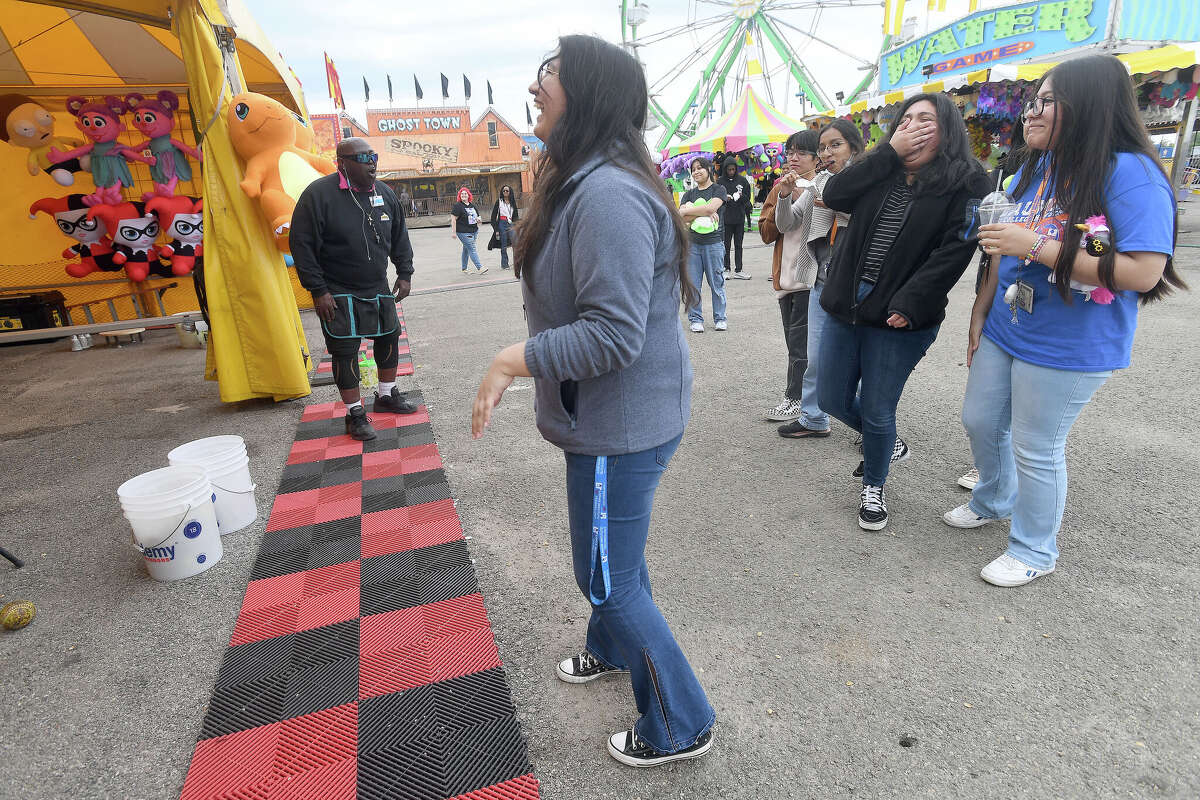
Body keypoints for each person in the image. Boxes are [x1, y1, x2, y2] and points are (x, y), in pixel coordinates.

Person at [471, 34, 714, 768]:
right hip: (607, 419)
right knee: (619, 567)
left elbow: (613, 336)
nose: (536, 84)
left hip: (619, 425)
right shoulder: (585, 178)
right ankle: (610, 646)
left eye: (550, 72)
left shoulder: (606, 193)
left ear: (590, 92)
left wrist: (510, 362)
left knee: (606, 578)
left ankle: (681, 722)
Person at [945, 55, 1184, 586]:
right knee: (981, 419)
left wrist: (1038, 245)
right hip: (1009, 324)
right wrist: (982, 310)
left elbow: (1143, 272)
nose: (1032, 112)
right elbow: (1004, 247)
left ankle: (1034, 550)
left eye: (1047, 102)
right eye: (1034, 101)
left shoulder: (1132, 173)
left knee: (1037, 446)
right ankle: (993, 498)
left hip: (1070, 342)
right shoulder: (1040, 166)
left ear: (1089, 107)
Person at [818, 93, 990, 531]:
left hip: (902, 315)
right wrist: (887, 153)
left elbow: (955, 250)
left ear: (947, 129)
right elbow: (836, 193)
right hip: (847, 301)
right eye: (906, 119)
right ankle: (886, 442)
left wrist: (912, 302)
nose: (913, 126)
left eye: (926, 120)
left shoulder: (969, 180)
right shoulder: (881, 168)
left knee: (877, 408)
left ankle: (874, 483)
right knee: (830, 398)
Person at [290, 137, 420, 441]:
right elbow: (302, 244)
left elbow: (400, 236)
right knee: (345, 350)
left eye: (373, 156)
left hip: (376, 285)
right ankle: (354, 413)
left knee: (389, 337)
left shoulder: (384, 193)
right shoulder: (318, 195)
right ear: (342, 163)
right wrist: (318, 290)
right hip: (336, 289)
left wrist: (405, 272)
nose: (371, 163)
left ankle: (386, 396)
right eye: (362, 158)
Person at [758, 129, 823, 427]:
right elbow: (768, 232)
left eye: (801, 152)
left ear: (815, 157)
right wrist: (782, 195)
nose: (793, 158)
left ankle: (796, 399)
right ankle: (805, 401)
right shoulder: (780, 186)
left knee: (801, 345)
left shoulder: (823, 187)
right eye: (790, 152)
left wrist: (806, 196)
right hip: (785, 278)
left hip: (809, 278)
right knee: (793, 342)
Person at [679, 157, 728, 332]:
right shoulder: (689, 194)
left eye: (700, 168)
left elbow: (709, 209)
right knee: (693, 283)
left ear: (709, 170)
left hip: (714, 244)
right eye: (693, 169)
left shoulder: (718, 189)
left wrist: (693, 212)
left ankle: (720, 318)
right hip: (693, 245)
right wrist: (704, 213)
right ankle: (695, 319)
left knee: (717, 283)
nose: (696, 171)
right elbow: (681, 217)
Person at [717, 154, 753, 279]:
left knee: (739, 245)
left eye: (733, 169)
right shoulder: (720, 181)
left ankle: (739, 269)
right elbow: (715, 197)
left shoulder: (742, 181)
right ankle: (726, 268)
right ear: (725, 169)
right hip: (725, 219)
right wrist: (724, 197)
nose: (731, 172)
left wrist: (741, 196)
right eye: (729, 169)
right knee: (726, 245)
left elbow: (748, 197)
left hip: (739, 218)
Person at [451, 186, 487, 275]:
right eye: (462, 194)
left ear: (468, 195)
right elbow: (453, 219)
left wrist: (479, 221)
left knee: (466, 249)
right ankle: (480, 267)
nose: (463, 195)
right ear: (459, 195)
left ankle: (464, 268)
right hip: (463, 232)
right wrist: (454, 232)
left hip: (474, 231)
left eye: (465, 193)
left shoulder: (472, 206)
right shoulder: (458, 206)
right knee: (472, 248)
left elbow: (478, 218)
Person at [489, 184, 519, 270]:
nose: (505, 192)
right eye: (504, 191)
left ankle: (517, 263)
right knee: (504, 244)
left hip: (511, 224)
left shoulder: (513, 202)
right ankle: (504, 264)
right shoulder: (499, 201)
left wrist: (517, 225)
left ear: (510, 192)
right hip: (502, 223)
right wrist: (496, 229)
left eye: (507, 191)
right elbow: (493, 217)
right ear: (502, 192)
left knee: (515, 244)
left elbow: (515, 215)